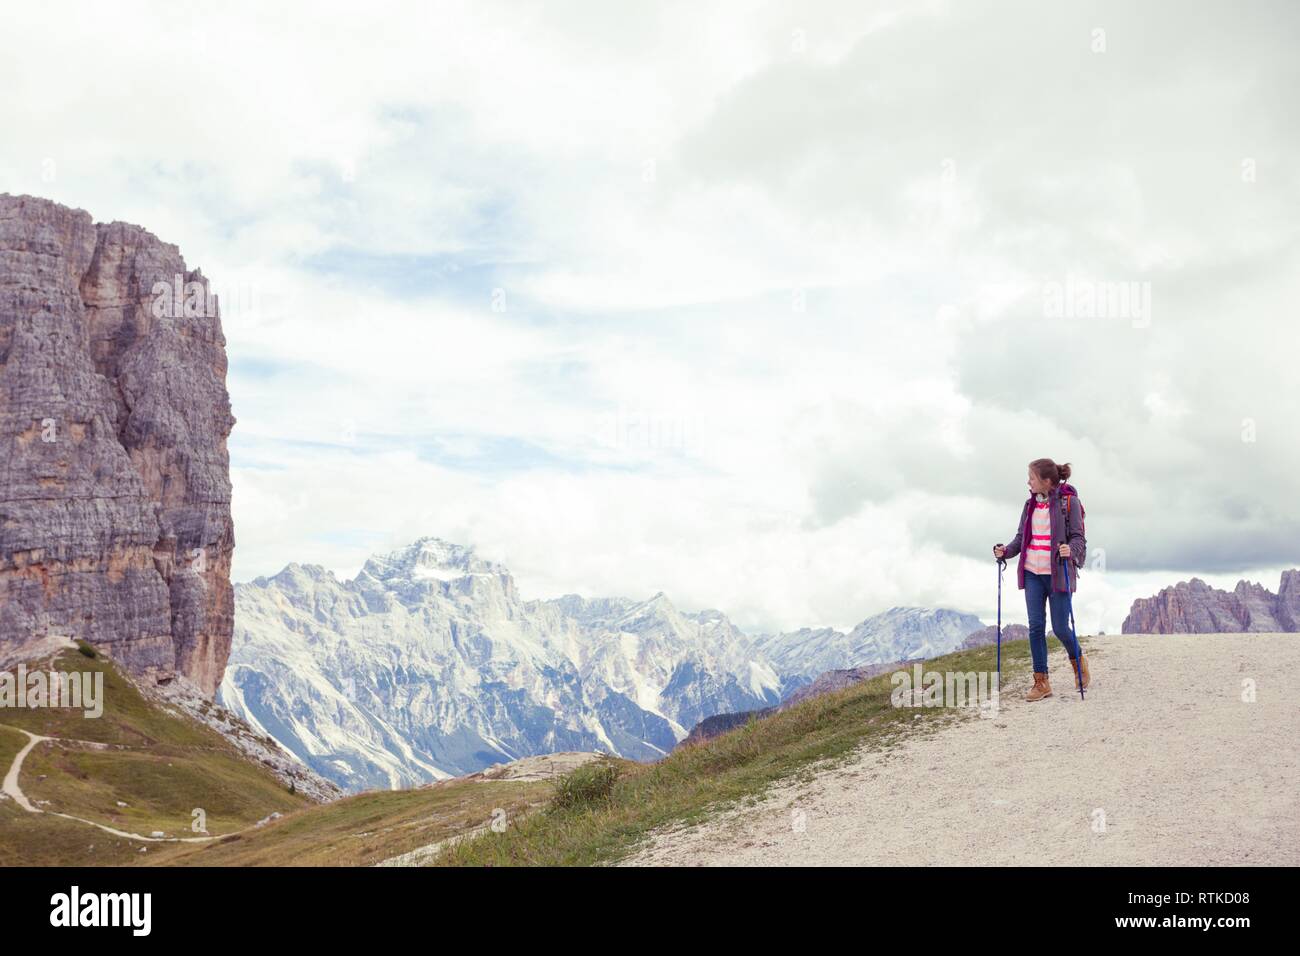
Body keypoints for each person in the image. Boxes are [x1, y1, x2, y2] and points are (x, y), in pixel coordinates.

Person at [992, 458, 1090, 701]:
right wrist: (1006, 551)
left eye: (1032, 478)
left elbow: (1079, 538)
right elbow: (1020, 539)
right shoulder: (1029, 506)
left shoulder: (1070, 503)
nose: (1028, 482)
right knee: (1035, 627)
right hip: (1032, 573)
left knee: (1059, 628)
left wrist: (1070, 549)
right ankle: (1041, 682)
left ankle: (1078, 661)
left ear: (1046, 481)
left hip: (1058, 574)